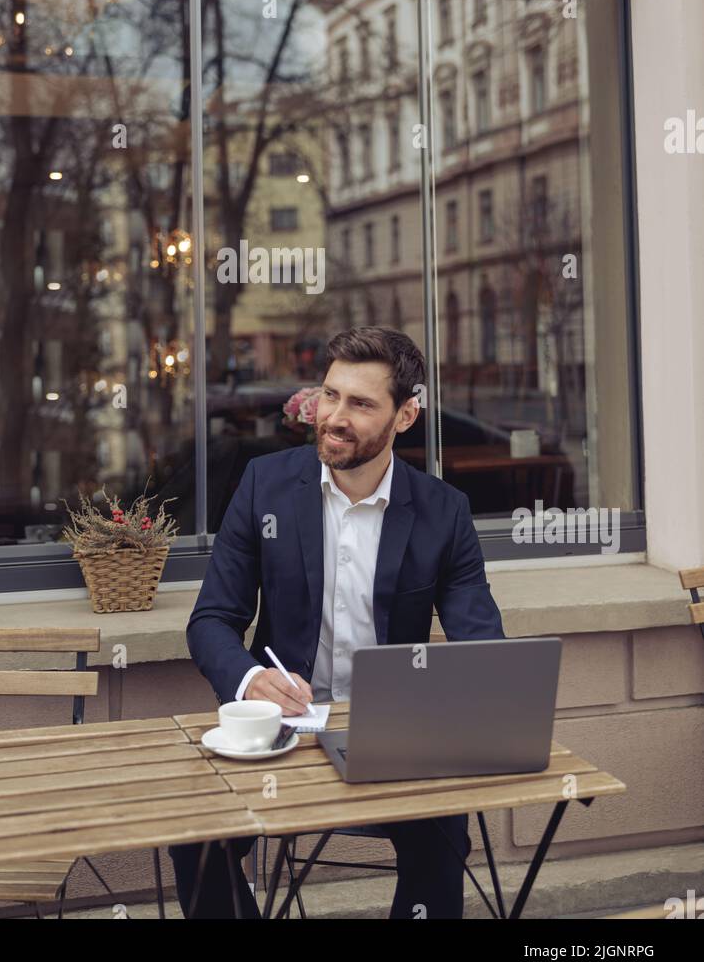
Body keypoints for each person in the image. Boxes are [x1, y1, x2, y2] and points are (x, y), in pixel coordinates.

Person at [168, 326, 505, 918]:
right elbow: (212, 620)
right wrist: (250, 680)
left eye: (361, 404)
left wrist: (468, 703)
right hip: (281, 731)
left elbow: (482, 645)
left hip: (396, 738)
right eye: (330, 395)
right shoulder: (265, 484)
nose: (335, 417)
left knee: (443, 836)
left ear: (405, 416)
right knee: (196, 837)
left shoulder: (443, 512)